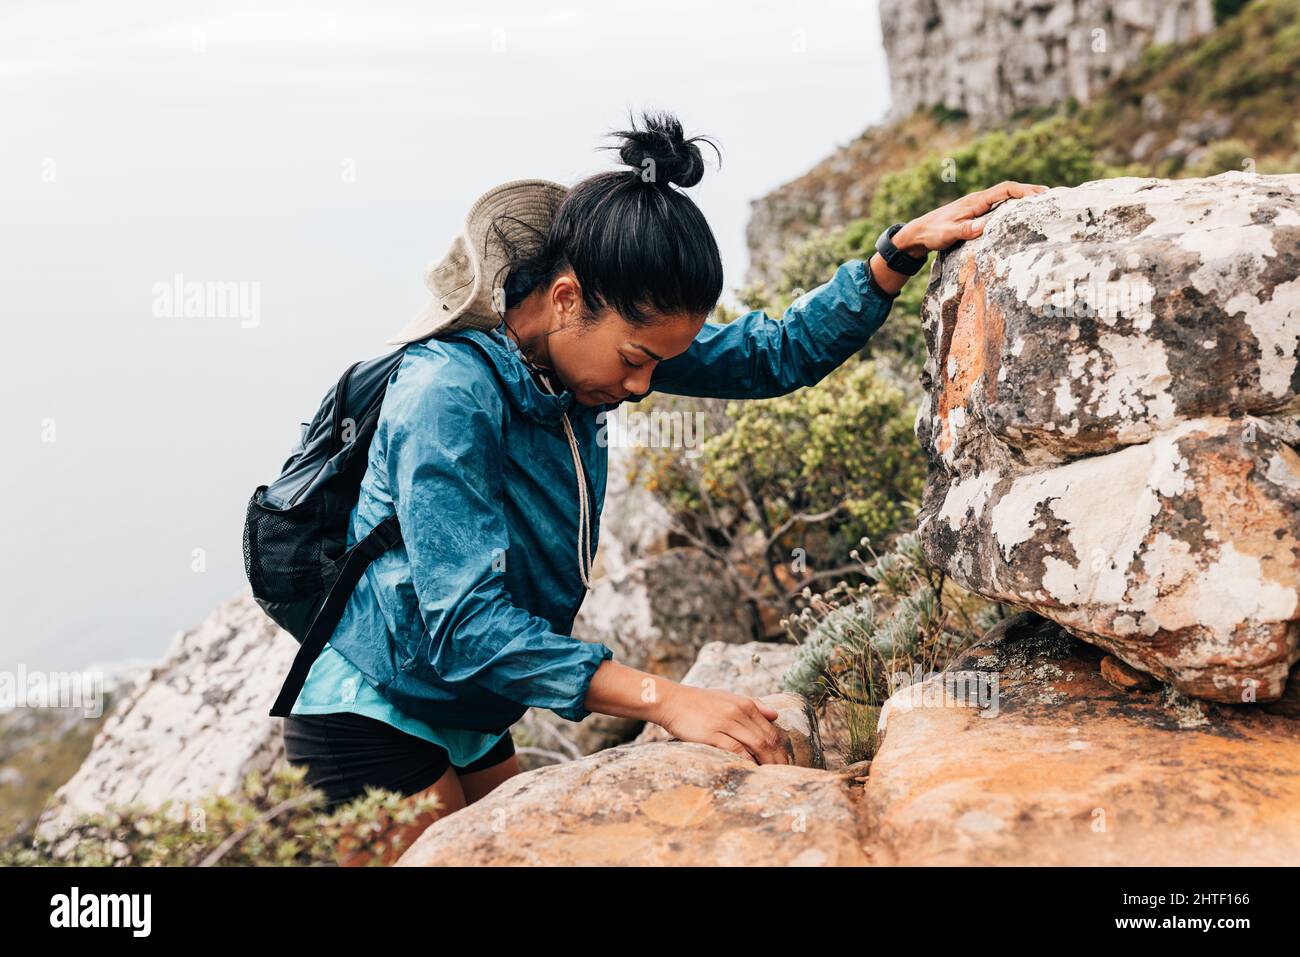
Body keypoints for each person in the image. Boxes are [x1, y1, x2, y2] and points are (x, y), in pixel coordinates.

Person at [281, 108, 1048, 859]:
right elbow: (465, 625)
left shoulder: (582, 350)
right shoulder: (446, 393)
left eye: (659, 361)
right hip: (375, 705)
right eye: (635, 359)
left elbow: (769, 354)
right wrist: (668, 698)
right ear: (566, 298)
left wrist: (894, 256)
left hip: (469, 704)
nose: (645, 384)